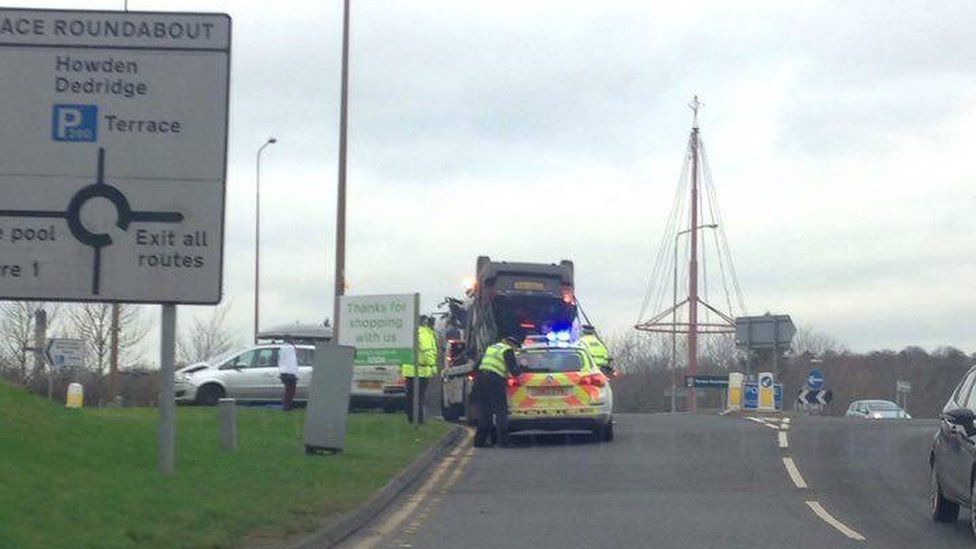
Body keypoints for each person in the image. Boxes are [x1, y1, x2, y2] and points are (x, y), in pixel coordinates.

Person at [473, 334, 522, 448]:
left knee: (485, 412)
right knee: (501, 411)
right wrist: (523, 368)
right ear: (512, 343)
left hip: (480, 380)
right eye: (515, 347)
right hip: (494, 381)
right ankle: (503, 442)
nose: (515, 350)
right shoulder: (507, 350)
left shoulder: (491, 348)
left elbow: (476, 366)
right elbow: (514, 371)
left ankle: (479, 441)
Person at [402, 315, 438, 423]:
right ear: (424, 322)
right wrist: (432, 366)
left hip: (409, 368)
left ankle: (411, 418)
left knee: (411, 396)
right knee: (419, 396)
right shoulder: (424, 333)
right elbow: (427, 350)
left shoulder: (409, 333)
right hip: (421, 370)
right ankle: (419, 419)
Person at [278, 342, 299, 411]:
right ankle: (287, 407)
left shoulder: (282, 348)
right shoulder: (290, 349)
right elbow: (293, 363)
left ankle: (287, 406)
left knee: (288, 390)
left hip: (283, 372)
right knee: (290, 391)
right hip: (290, 373)